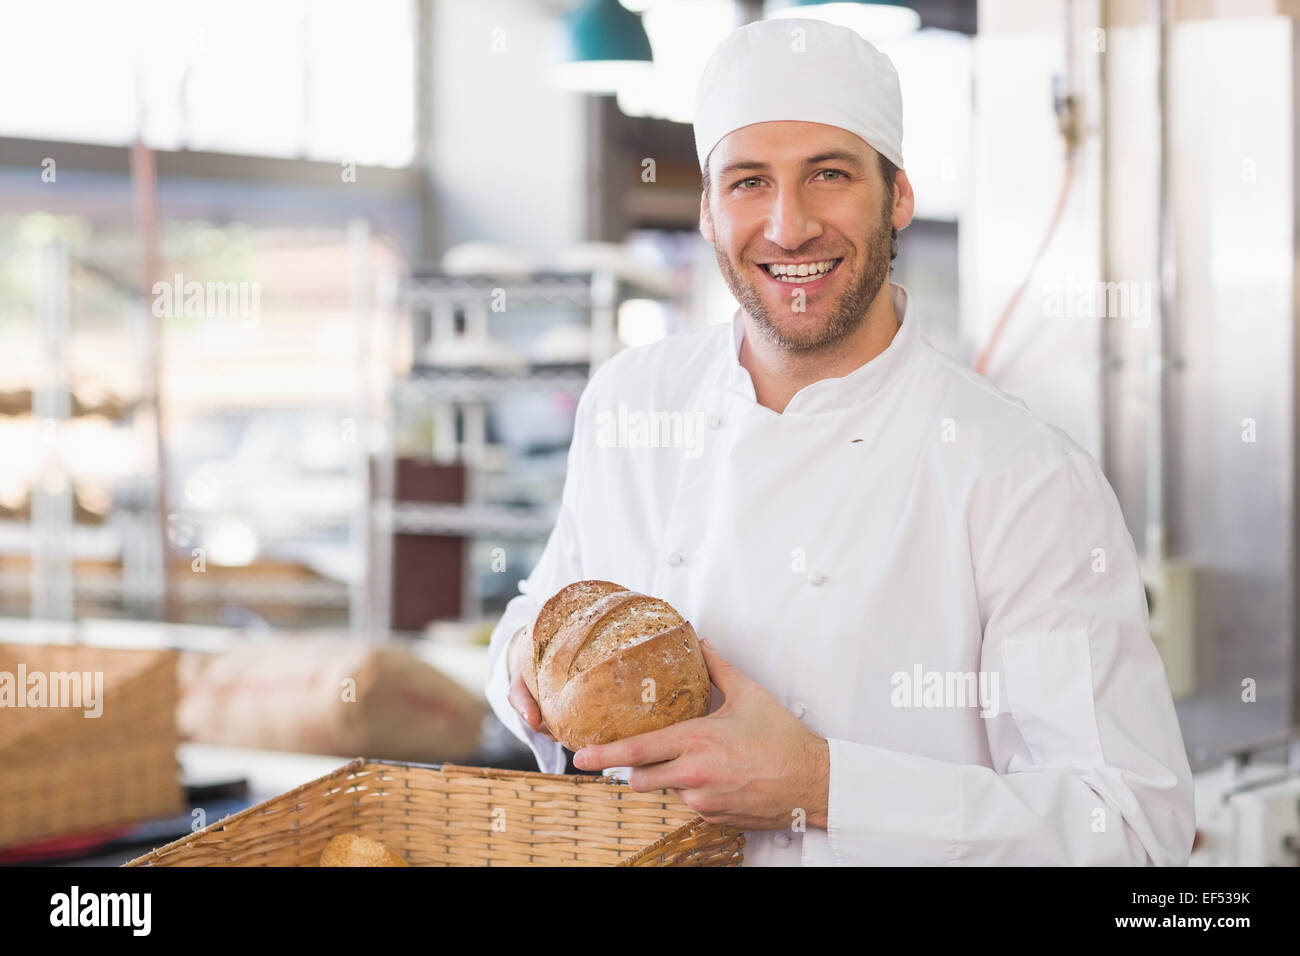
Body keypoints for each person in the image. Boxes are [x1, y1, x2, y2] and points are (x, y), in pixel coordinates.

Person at [485, 17, 1194, 865]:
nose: (788, 227)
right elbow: (546, 615)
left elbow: (1130, 826)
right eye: (749, 182)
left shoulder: (1023, 478)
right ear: (708, 210)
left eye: (828, 174)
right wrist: (523, 668)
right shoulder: (631, 403)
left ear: (896, 195)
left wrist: (822, 785)